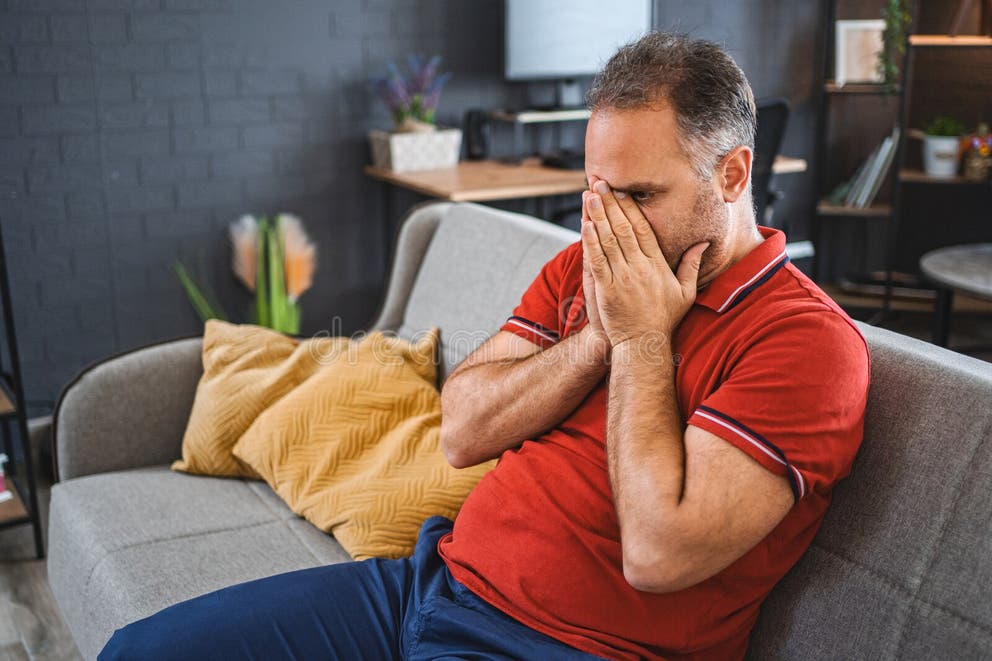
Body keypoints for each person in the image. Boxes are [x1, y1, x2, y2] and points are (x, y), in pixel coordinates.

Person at [100, 32, 869, 660]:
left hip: (561, 647)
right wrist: (596, 340)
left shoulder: (804, 342)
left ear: (732, 173)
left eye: (641, 196)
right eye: (598, 192)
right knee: (135, 653)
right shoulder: (584, 268)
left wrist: (641, 340)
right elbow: (462, 428)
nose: (610, 227)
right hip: (425, 587)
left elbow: (658, 553)